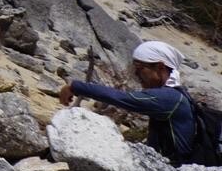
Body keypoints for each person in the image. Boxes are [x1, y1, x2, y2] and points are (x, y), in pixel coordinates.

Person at [58, 41, 202, 164]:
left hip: (174, 170)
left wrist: (75, 87)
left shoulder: (169, 98)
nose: (136, 74)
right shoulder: (176, 95)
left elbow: (122, 98)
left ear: (160, 68)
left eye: (140, 68)